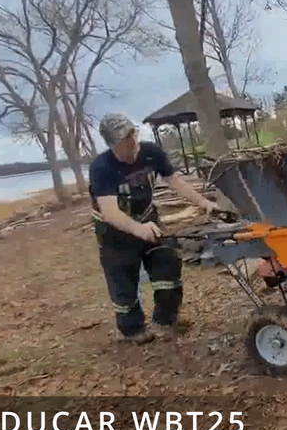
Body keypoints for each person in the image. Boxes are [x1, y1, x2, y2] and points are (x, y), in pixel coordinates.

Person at [89, 113, 219, 344]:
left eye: (132, 132)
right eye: (126, 137)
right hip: (114, 233)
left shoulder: (151, 152)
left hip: (149, 220)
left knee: (167, 264)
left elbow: (175, 182)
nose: (133, 139)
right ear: (113, 143)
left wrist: (203, 202)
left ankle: (166, 320)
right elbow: (109, 211)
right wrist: (138, 229)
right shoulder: (102, 168)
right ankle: (131, 329)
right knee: (123, 283)